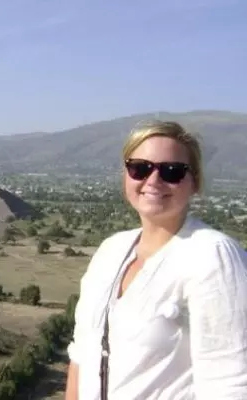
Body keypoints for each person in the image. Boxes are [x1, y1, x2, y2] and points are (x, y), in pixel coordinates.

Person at [65, 120, 247, 400]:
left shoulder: (212, 255)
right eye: (140, 168)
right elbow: (81, 356)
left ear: (195, 182)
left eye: (172, 172)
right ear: (126, 174)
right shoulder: (110, 251)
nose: (153, 181)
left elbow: (232, 384)